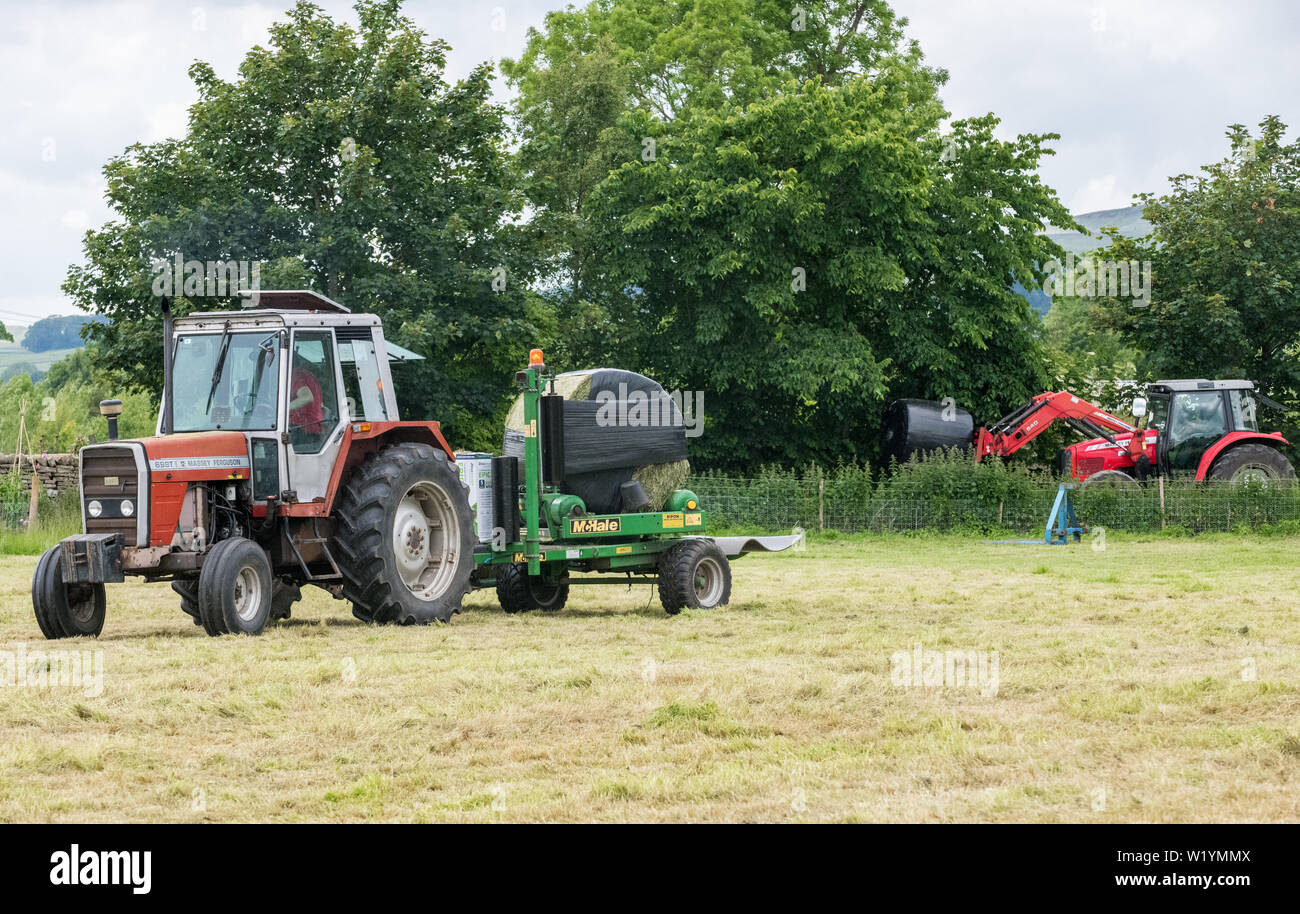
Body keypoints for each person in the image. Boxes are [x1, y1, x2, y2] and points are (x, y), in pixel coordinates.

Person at [288, 361, 325, 438]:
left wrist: (282, 411)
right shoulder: (309, 376)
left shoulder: (296, 375)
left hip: (302, 428)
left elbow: (306, 397)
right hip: (314, 426)